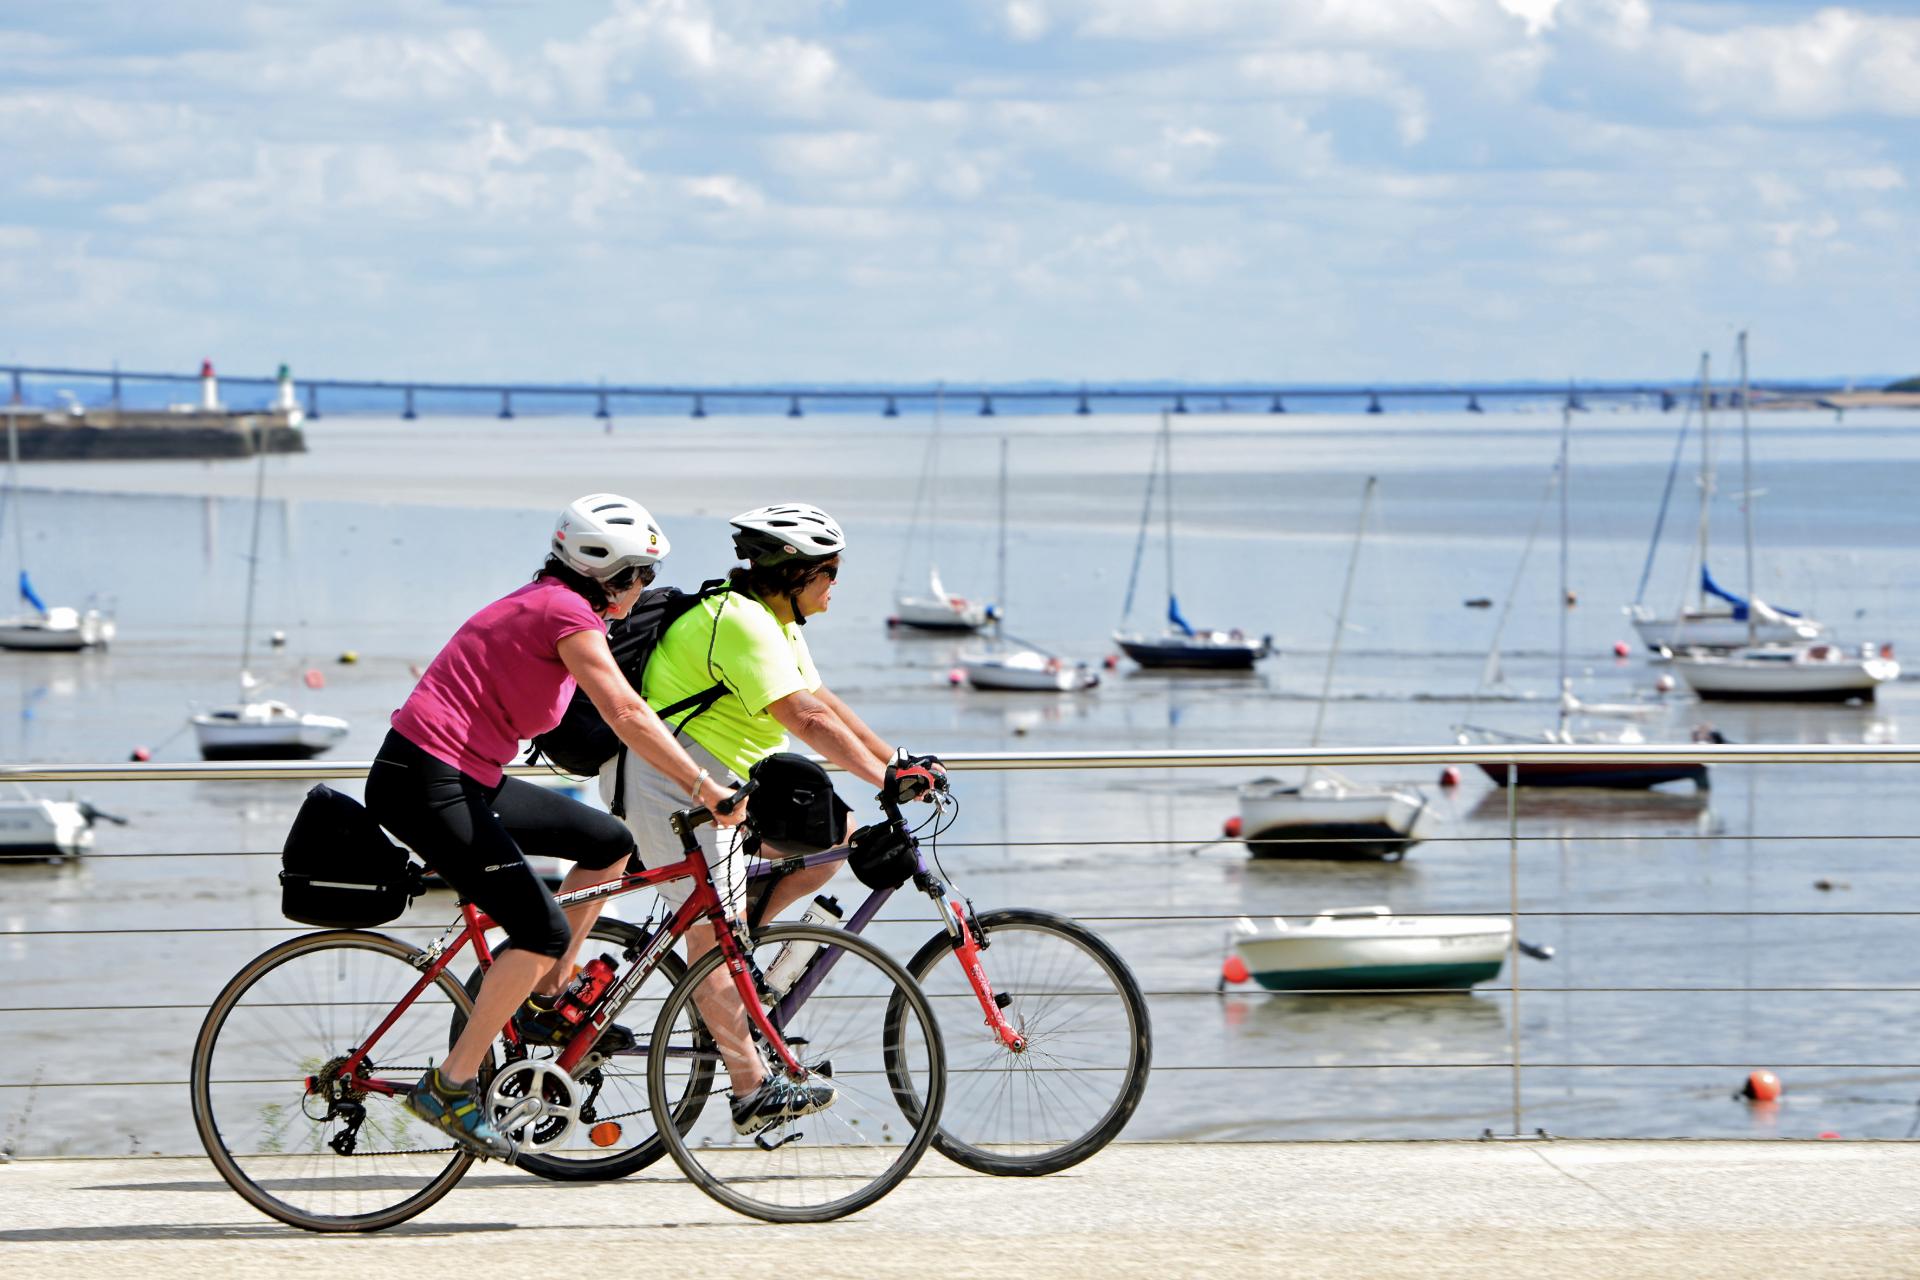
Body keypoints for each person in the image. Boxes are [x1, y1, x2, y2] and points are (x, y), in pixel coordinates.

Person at [365, 493, 745, 1160]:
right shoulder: (565, 613)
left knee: (609, 842)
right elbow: (625, 713)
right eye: (640, 575)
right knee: (538, 926)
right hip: (424, 782)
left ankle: (547, 985)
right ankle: (450, 1085)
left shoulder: (554, 604)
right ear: (609, 574)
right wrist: (703, 786)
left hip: (464, 777)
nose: (644, 589)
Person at [607, 502, 923, 1134]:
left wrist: (898, 761)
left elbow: (821, 702)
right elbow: (803, 722)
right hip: (671, 787)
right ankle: (750, 1087)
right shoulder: (741, 623)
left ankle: (734, 954)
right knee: (714, 942)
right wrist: (885, 775)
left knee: (838, 839)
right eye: (829, 571)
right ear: (796, 573)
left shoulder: (774, 619)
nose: (836, 583)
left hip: (727, 783)